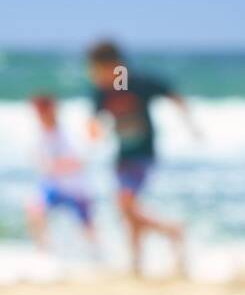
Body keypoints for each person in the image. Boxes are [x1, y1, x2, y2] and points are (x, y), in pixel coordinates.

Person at [85, 40, 196, 276]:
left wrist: (190, 124)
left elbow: (171, 93)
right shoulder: (102, 92)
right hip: (121, 157)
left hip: (143, 155)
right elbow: (93, 123)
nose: (93, 74)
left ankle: (171, 230)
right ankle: (136, 264)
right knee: (129, 209)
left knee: (125, 204)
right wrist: (93, 131)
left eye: (96, 69)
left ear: (113, 65)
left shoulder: (136, 83)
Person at [25, 93, 99, 256]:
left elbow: (81, 160)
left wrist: (56, 166)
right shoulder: (39, 134)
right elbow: (40, 163)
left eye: (42, 111)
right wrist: (57, 166)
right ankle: (43, 252)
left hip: (76, 187)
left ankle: (96, 256)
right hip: (54, 186)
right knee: (34, 210)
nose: (40, 116)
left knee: (87, 226)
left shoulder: (70, 131)